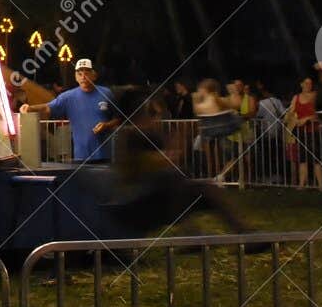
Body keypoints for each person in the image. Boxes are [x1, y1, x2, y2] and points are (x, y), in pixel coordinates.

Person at [102, 87, 257, 239]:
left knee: (206, 188)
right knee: (170, 177)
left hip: (163, 198)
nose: (157, 118)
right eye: (153, 114)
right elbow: (147, 166)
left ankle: (244, 233)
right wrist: (175, 149)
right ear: (138, 115)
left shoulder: (152, 135)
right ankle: (190, 234)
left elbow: (168, 161)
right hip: (135, 204)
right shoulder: (127, 136)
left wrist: (175, 150)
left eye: (157, 113)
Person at [19, 58, 119, 163]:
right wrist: (30, 108)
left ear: (94, 75)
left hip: (105, 154)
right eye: (80, 74)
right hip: (81, 156)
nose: (83, 77)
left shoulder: (106, 93)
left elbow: (118, 118)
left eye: (87, 73)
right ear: (76, 77)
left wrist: (106, 125)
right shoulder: (68, 97)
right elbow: (48, 107)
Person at [286, 76, 322, 189]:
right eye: (306, 83)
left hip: (314, 131)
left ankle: (321, 186)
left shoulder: (315, 96)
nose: (308, 85)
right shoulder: (296, 98)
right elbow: (290, 113)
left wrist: (307, 119)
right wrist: (292, 119)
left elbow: (320, 114)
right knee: (302, 158)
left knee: (316, 158)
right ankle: (302, 184)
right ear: (301, 84)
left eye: (310, 83)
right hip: (301, 132)